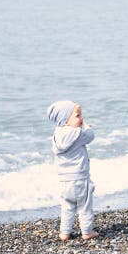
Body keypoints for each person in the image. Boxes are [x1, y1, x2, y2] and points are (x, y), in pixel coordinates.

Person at [46, 100, 99, 241]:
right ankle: (87, 231)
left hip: (64, 180)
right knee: (84, 206)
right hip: (80, 179)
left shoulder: (57, 135)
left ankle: (64, 233)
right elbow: (90, 136)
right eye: (77, 116)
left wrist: (80, 125)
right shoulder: (78, 134)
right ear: (64, 120)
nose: (81, 119)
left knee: (67, 207)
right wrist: (86, 127)